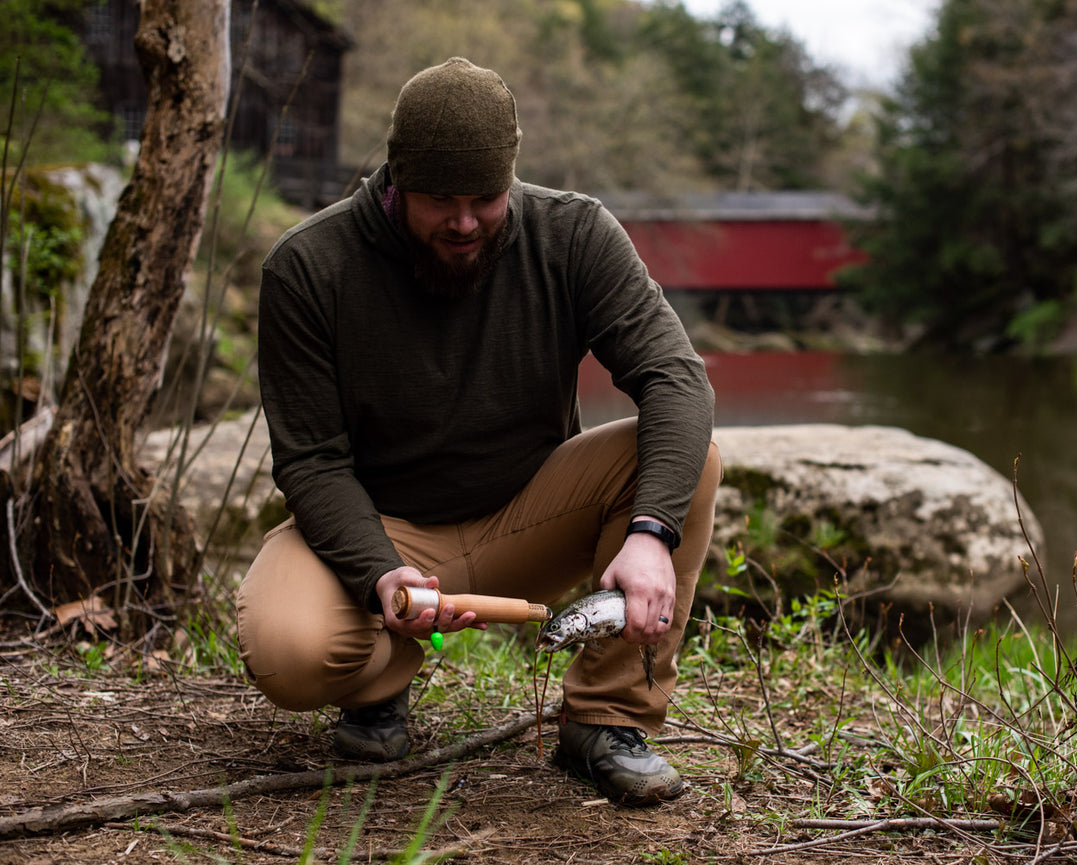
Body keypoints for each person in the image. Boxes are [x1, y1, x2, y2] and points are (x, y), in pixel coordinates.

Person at [236, 57, 722, 808]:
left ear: (512, 179)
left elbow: (676, 378)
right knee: (288, 653)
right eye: (440, 200)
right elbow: (312, 461)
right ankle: (380, 684)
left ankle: (604, 719)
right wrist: (378, 572)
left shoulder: (574, 234)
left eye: (486, 199)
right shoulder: (308, 267)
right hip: (385, 533)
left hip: (527, 516)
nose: (464, 222)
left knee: (687, 454)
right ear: (396, 179)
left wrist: (651, 532)